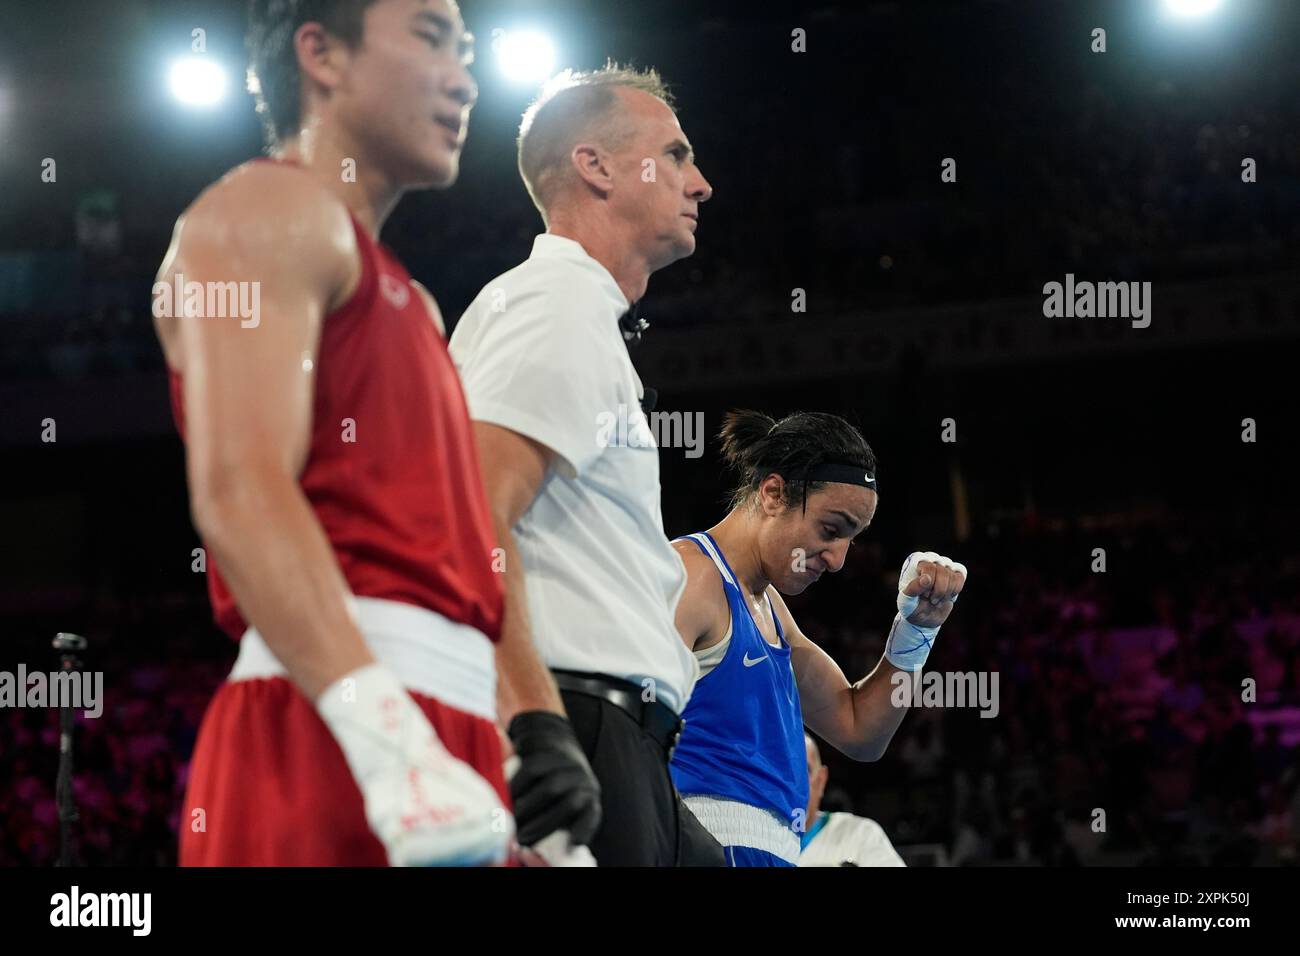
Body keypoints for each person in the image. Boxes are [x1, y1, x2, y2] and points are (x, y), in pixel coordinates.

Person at [154, 0, 511, 866]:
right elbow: (240, 490)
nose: (465, 77)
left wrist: (509, 749)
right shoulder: (265, 208)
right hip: (330, 724)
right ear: (322, 54)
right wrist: (388, 739)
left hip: (448, 730)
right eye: (431, 38)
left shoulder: (416, 303)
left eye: (467, 49)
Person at [448, 64, 723, 865]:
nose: (698, 183)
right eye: (673, 155)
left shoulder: (577, 314)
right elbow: (470, 514)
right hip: (576, 718)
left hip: (622, 737)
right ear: (594, 167)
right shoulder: (555, 302)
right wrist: (533, 723)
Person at [669, 410, 967, 866]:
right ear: (772, 493)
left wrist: (916, 630)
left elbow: (859, 730)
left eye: (851, 538)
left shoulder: (770, 610)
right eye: (831, 530)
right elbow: (622, 728)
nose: (838, 559)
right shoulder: (690, 578)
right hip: (697, 847)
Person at [799, 733, 905, 867]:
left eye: (803, 770)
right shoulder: (764, 839)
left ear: (821, 780)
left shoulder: (861, 835)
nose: (792, 782)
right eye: (782, 771)